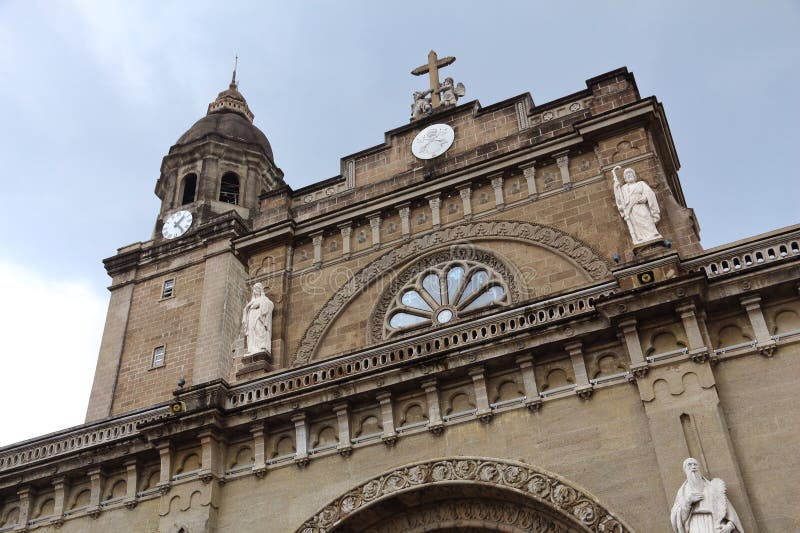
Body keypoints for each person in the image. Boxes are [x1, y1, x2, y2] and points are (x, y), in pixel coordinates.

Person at [670, 458, 744, 533]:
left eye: (695, 464)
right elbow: (677, 518)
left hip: (714, 523)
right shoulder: (683, 492)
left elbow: (727, 508)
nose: (693, 467)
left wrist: (730, 525)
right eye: (689, 465)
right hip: (695, 523)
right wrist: (688, 502)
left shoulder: (712, 487)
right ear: (685, 469)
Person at [611, 166, 663, 244]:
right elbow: (619, 199)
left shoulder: (640, 184)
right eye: (627, 175)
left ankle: (653, 234)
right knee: (636, 225)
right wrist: (616, 187)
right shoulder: (623, 188)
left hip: (641, 206)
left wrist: (645, 198)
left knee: (646, 219)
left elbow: (649, 193)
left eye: (630, 173)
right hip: (631, 210)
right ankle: (640, 238)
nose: (629, 175)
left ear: (634, 176)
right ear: (625, 178)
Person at [242, 283, 274, 355]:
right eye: (255, 289)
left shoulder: (264, 299)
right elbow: (246, 310)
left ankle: (261, 347)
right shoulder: (251, 301)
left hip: (259, 317)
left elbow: (270, 305)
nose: (256, 290)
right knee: (251, 331)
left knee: (259, 329)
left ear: (261, 290)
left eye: (258, 289)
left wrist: (259, 304)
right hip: (251, 317)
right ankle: (252, 349)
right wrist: (247, 308)